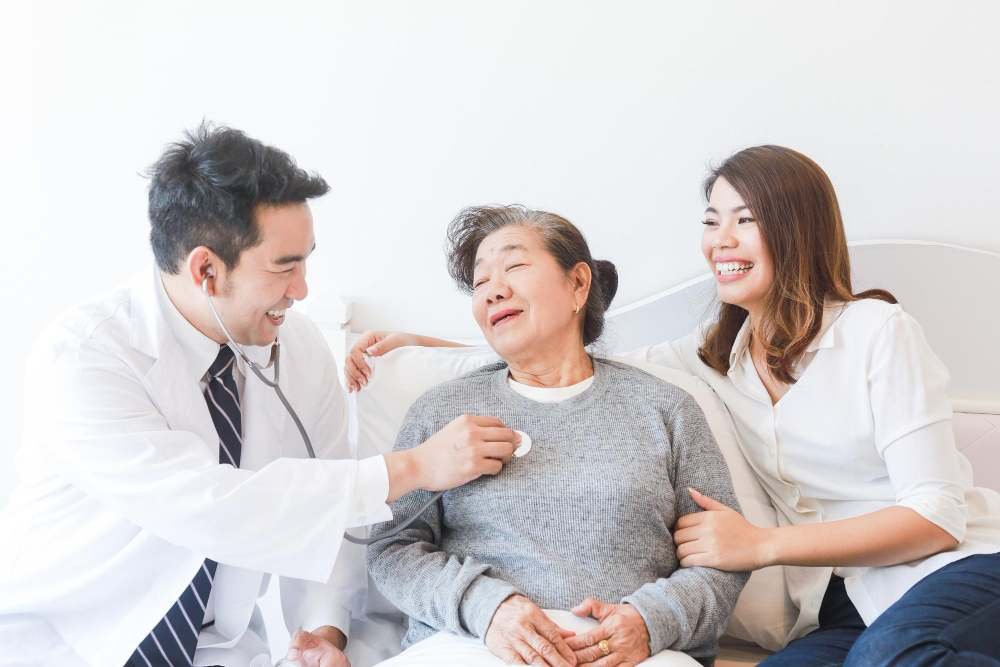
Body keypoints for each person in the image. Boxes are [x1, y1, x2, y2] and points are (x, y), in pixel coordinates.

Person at [347, 147, 1000, 665]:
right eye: (712, 221)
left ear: (797, 227)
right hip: (844, 602)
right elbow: (566, 342)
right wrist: (418, 342)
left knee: (896, 654)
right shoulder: (716, 356)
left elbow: (937, 513)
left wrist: (762, 545)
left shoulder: (876, 331)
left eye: (745, 218)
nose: (721, 238)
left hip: (955, 567)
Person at [0, 124, 521, 667]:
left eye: (306, 260)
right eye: (285, 266)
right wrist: (410, 467)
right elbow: (213, 507)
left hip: (211, 649)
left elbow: (330, 506)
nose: (303, 289)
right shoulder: (85, 357)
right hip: (62, 644)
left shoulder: (295, 346)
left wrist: (324, 631)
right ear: (206, 269)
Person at [365, 205, 748, 667]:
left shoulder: (665, 408)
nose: (493, 291)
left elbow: (724, 558)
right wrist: (486, 607)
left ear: (578, 285)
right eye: (480, 282)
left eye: (514, 267)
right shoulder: (440, 411)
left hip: (630, 654)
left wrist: (649, 621)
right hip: (471, 644)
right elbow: (392, 549)